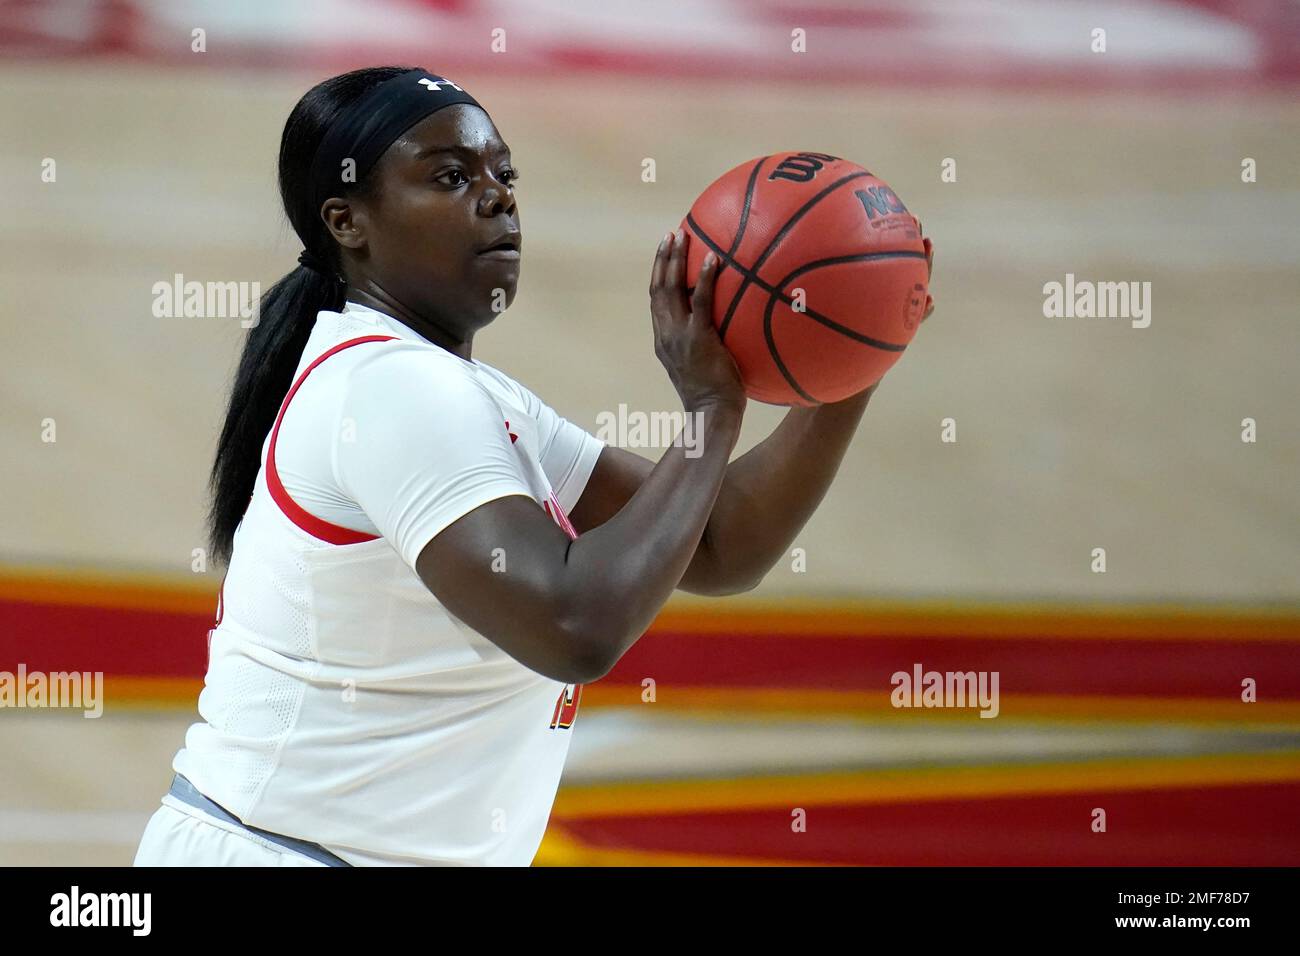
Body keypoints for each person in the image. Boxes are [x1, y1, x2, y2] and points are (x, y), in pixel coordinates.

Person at [133, 65, 933, 866]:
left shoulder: (465, 395)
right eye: (451, 176)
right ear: (347, 221)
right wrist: (711, 411)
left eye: (503, 173)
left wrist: (851, 350)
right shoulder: (393, 392)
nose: (497, 196)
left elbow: (720, 541)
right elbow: (573, 625)